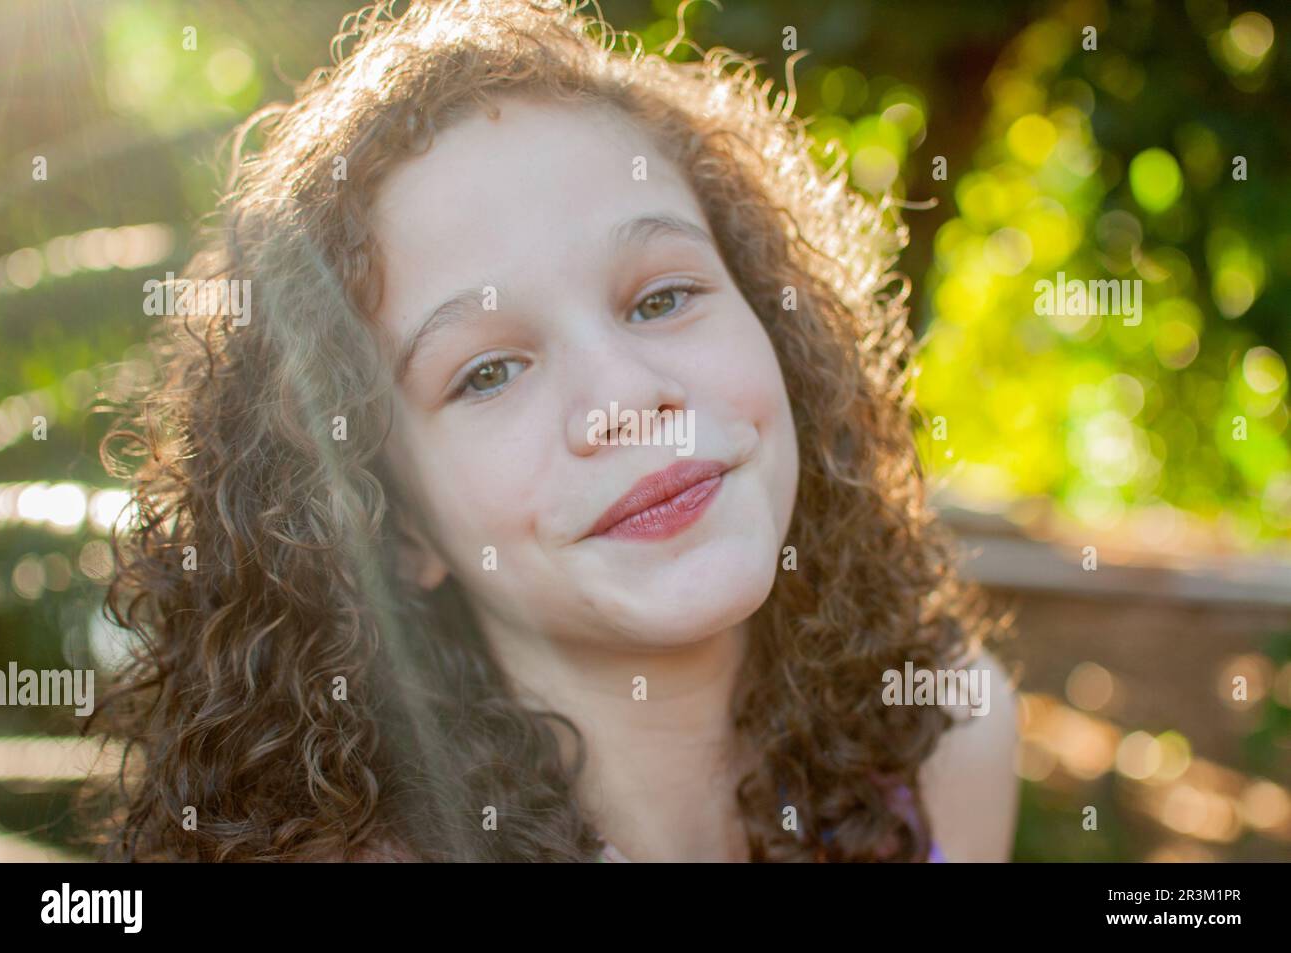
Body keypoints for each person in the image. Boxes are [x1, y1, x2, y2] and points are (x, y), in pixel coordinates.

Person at [83, 0, 1018, 863]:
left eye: (663, 297)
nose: (625, 396)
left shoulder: (950, 740)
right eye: (487, 373)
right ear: (391, 526)